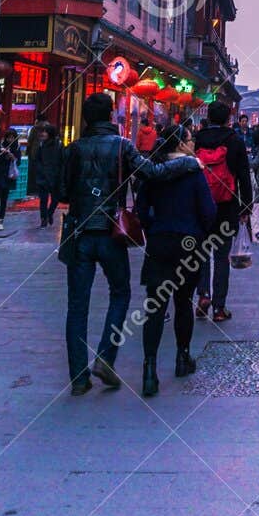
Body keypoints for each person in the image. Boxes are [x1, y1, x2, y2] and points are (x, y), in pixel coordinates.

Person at [58, 91, 197, 395]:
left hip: (79, 233)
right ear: (111, 115)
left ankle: (79, 378)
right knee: (120, 292)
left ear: (85, 118)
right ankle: (105, 357)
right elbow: (153, 173)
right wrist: (187, 163)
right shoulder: (122, 146)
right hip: (111, 231)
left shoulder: (73, 150)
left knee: (77, 305)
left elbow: (62, 193)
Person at [138, 127, 216, 397]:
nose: (193, 143)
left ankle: (149, 369)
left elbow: (141, 209)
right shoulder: (194, 173)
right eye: (191, 139)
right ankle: (183, 357)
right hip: (188, 244)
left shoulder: (154, 172)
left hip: (160, 243)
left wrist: (154, 229)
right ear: (182, 144)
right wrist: (199, 232)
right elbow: (209, 211)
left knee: (155, 308)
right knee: (183, 303)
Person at [193, 102, 253, 323]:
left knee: (201, 254)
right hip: (227, 206)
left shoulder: (198, 139)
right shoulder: (235, 141)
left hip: (201, 206)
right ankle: (219, 307)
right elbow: (244, 176)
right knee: (221, 257)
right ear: (229, 119)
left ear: (208, 117)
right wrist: (246, 207)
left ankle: (203, 295)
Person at [26, 121, 60, 228]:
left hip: (54, 175)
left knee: (55, 198)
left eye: (45, 132)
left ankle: (49, 213)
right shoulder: (41, 145)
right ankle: (44, 218)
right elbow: (37, 159)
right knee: (44, 199)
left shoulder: (58, 145)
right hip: (43, 176)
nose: (43, 134)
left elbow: (61, 160)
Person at [0, 130, 20, 229]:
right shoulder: (1, 144)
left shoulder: (16, 147)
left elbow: (18, 161)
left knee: (4, 199)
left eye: (12, 137)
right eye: (8, 137)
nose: (10, 139)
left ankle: (1, 220)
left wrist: (13, 157)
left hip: (8, 175)